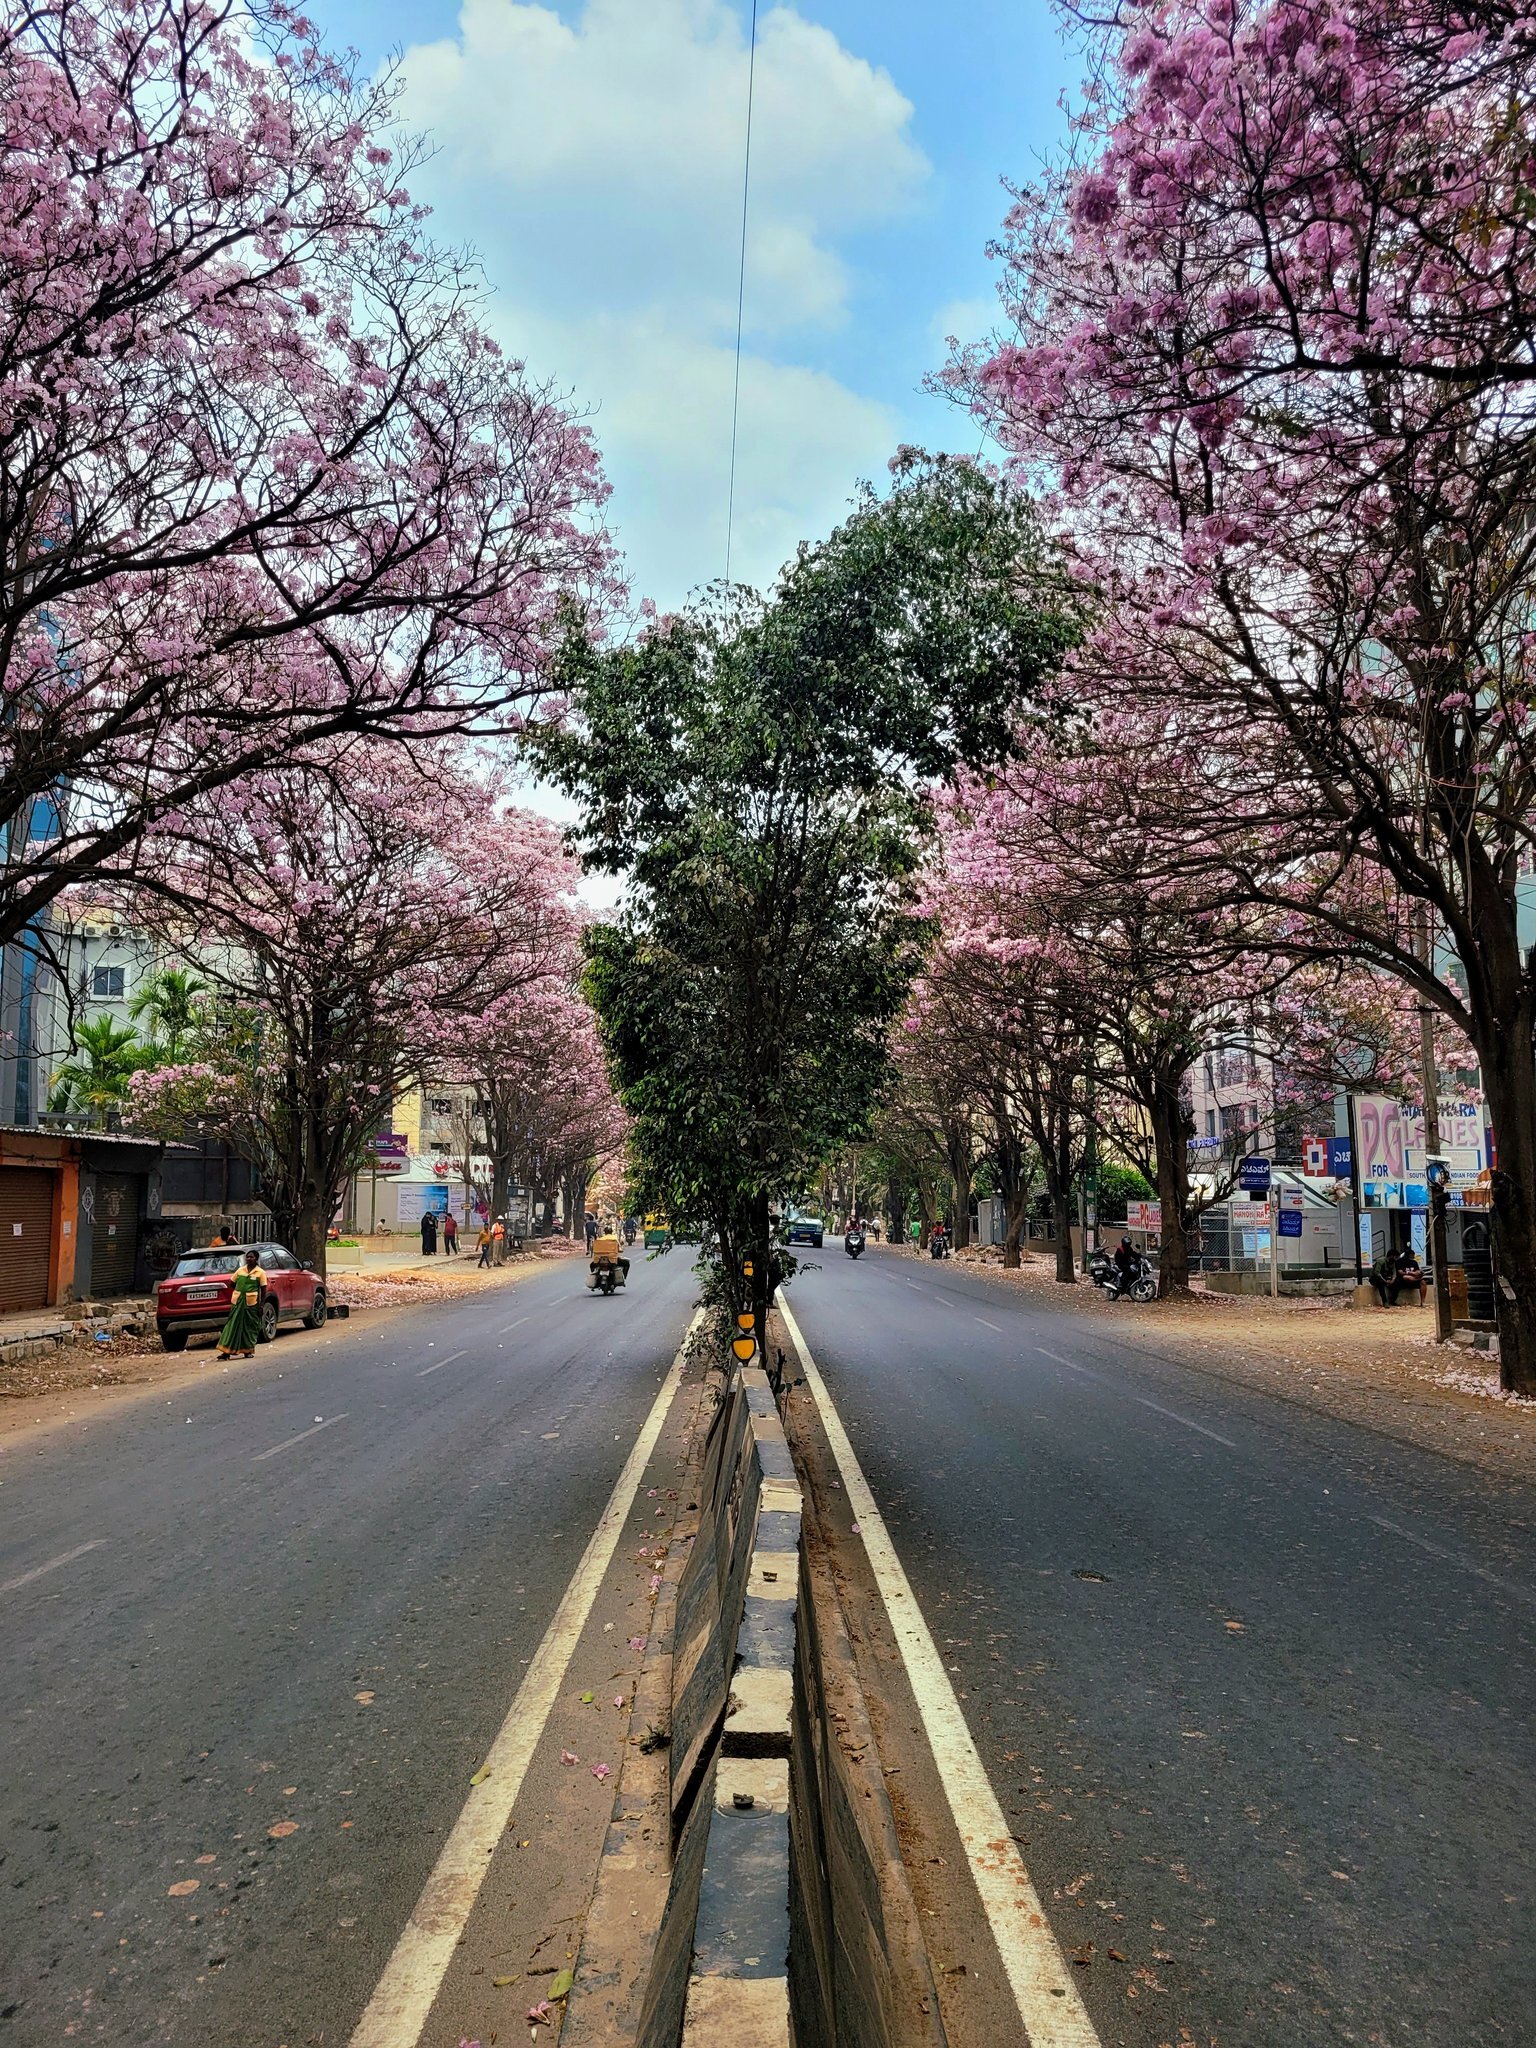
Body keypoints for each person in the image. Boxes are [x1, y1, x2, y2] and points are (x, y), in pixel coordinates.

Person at [216, 1249, 266, 1359]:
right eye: (247, 1257)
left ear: (256, 1259)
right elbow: (232, 1283)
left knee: (248, 1327)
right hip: (238, 1303)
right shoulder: (240, 1270)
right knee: (232, 1326)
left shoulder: (260, 1273)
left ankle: (247, 1351)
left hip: (251, 1305)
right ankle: (226, 1352)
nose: (249, 1259)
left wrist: (261, 1305)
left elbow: (263, 1290)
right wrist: (239, 1293)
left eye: (251, 1257)